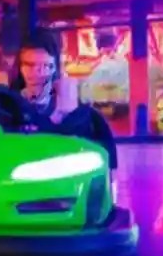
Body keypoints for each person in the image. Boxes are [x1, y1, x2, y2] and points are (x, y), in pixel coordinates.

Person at [12, 29, 118, 167]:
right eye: (29, 65)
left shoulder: (80, 112)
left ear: (54, 67)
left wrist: (65, 115)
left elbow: (103, 161)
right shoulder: (9, 107)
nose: (38, 73)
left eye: (45, 65)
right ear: (20, 68)